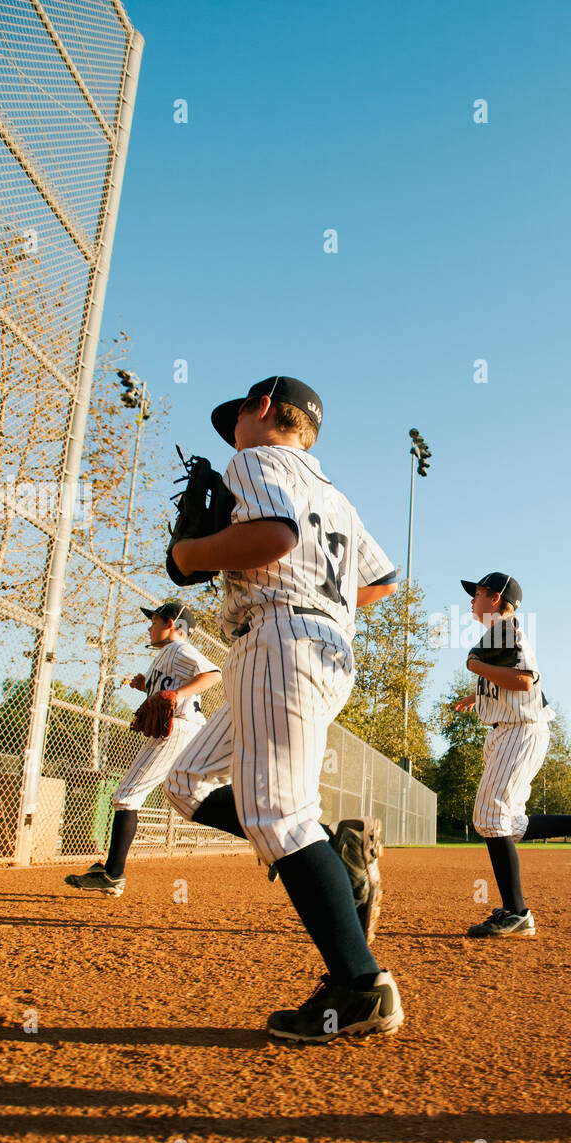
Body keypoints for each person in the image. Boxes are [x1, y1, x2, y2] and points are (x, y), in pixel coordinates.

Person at [163, 374, 401, 1044]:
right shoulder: (338, 497)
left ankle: (360, 986)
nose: (232, 433)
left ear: (263, 408)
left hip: (279, 641)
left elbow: (272, 535)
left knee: (276, 815)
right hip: (309, 648)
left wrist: (192, 554)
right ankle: (333, 855)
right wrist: (330, 609)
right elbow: (380, 581)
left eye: (236, 416)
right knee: (186, 783)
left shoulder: (256, 459)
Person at [455, 571, 571, 939]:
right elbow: (516, 685)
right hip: (514, 732)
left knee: (490, 816)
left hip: (519, 734)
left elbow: (525, 680)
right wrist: (479, 696)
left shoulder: (504, 629)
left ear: (498, 599)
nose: (473, 598)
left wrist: (474, 666)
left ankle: (517, 914)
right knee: (508, 823)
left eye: (480, 592)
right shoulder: (498, 632)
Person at [65, 602, 221, 898]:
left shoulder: (177, 649)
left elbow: (213, 674)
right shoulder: (165, 655)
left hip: (179, 727)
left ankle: (113, 875)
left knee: (126, 795)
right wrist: (145, 686)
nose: (150, 626)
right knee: (192, 796)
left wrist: (175, 693)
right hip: (186, 729)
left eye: (155, 620)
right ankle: (269, 840)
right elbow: (168, 686)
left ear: (173, 624)